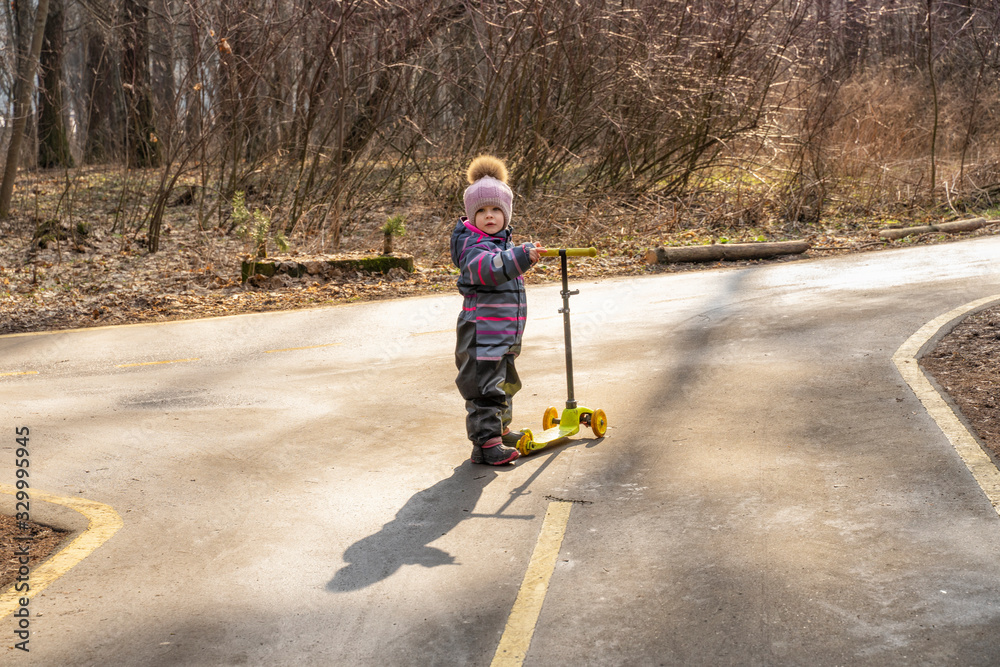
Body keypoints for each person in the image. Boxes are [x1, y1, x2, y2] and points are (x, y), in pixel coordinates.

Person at [450, 155, 545, 465]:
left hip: (503, 332)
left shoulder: (501, 245)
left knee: (505, 383)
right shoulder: (473, 246)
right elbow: (487, 270)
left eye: (495, 210)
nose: (489, 216)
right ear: (471, 215)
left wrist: (520, 255)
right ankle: (487, 442)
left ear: (506, 214)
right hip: (481, 331)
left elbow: (504, 267)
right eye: (481, 211)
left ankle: (497, 433)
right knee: (484, 388)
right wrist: (519, 257)